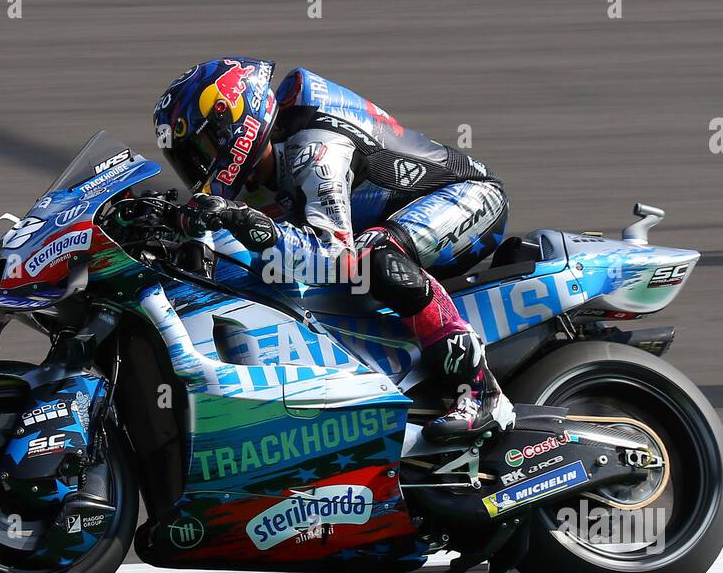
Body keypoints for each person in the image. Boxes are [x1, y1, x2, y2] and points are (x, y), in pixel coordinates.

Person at [153, 57, 514, 443]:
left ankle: (482, 393)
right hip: (379, 218)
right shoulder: (261, 161)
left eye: (203, 149)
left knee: (374, 257)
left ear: (236, 126)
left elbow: (332, 258)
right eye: (186, 160)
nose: (199, 168)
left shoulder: (317, 150)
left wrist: (244, 221)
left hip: (469, 197)